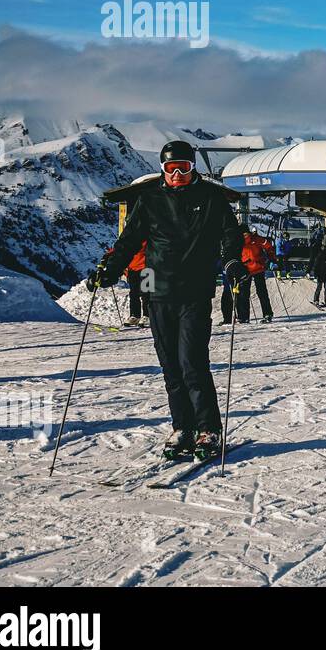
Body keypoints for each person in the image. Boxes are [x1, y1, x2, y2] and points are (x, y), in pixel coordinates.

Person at [87, 140, 244, 461]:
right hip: (159, 292)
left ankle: (208, 428)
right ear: (162, 170)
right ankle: (182, 427)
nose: (177, 174)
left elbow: (231, 234)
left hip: (195, 291)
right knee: (170, 365)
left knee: (192, 363)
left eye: (183, 168)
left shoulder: (211, 198)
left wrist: (231, 261)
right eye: (171, 169)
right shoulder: (150, 198)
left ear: (192, 168)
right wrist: (110, 269)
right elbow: (129, 240)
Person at [235, 229, 275, 323]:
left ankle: (267, 314)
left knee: (261, 292)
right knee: (244, 293)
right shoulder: (238, 241)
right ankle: (243, 316)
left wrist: (271, 258)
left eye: (246, 233)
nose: (245, 235)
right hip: (245, 270)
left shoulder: (256, 239)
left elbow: (269, 246)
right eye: (243, 234)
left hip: (258, 268)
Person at [124, 240, 148, 327]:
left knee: (146, 292)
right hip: (132, 267)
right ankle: (135, 315)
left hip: (146, 266)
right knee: (134, 293)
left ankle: (147, 315)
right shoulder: (132, 234)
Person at [308, 241, 326, 306]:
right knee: (320, 288)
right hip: (320, 274)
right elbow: (316, 266)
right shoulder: (319, 257)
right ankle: (316, 300)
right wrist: (316, 274)